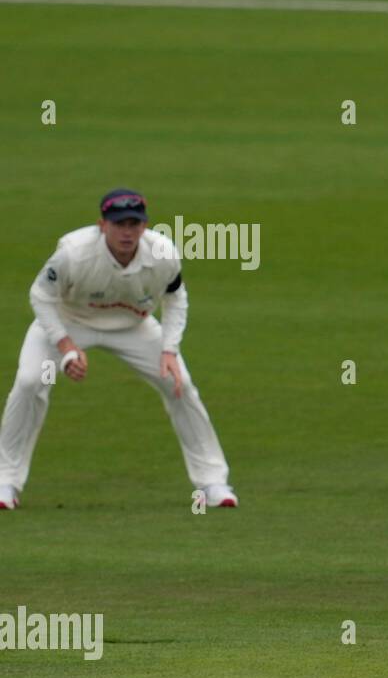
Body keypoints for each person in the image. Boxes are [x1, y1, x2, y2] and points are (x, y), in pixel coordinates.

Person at [0, 189, 237, 510]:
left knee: (180, 384)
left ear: (144, 225)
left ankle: (213, 482)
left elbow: (175, 298)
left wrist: (169, 350)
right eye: (118, 224)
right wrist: (66, 346)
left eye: (133, 224)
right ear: (102, 225)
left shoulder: (163, 253)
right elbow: (41, 296)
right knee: (31, 381)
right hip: (68, 322)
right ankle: (6, 482)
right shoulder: (73, 252)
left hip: (134, 327)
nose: (127, 232)